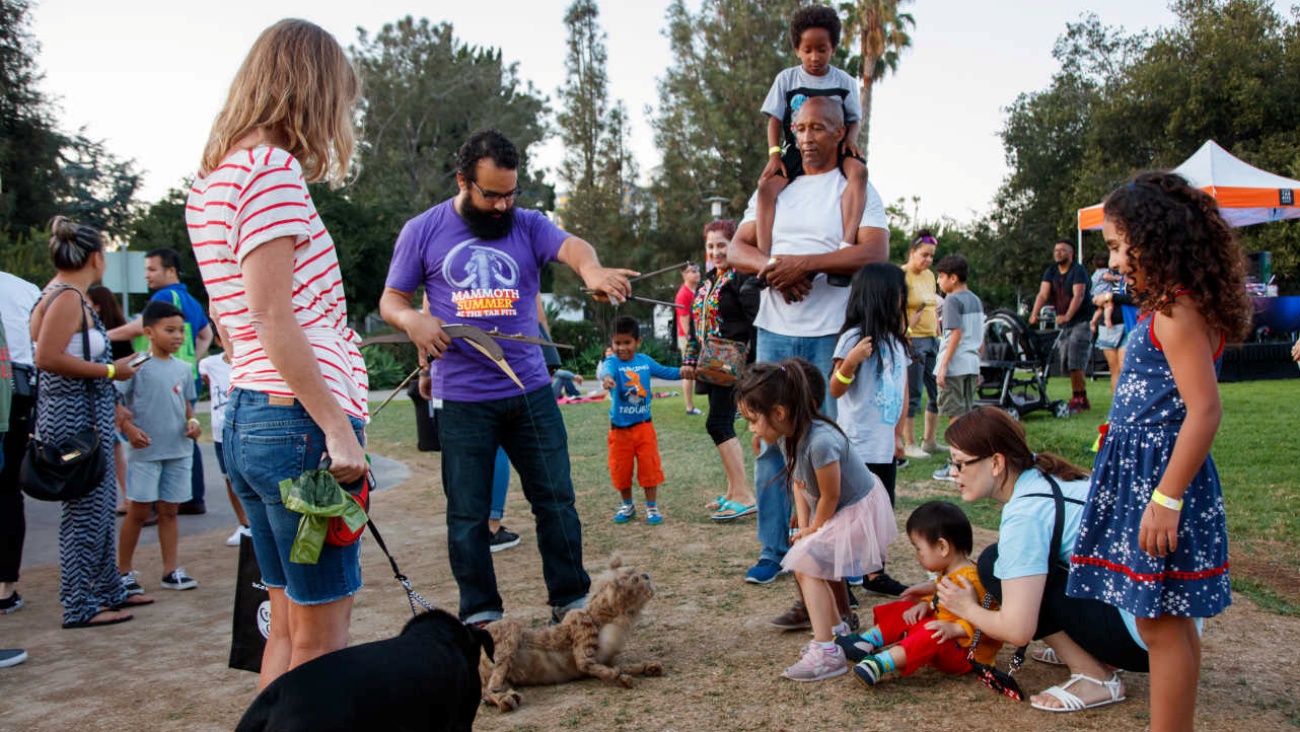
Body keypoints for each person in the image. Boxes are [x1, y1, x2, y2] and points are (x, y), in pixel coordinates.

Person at [380, 128, 634, 626]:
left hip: (530, 392)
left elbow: (572, 246)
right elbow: (392, 300)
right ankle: (482, 614)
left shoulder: (526, 224)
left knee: (556, 500)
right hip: (462, 400)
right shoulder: (423, 230)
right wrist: (413, 320)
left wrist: (593, 271)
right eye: (491, 194)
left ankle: (571, 601)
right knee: (468, 516)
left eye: (510, 193)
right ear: (463, 181)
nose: (502, 205)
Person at [188, 19, 370, 688]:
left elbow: (233, 317)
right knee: (324, 643)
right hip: (296, 426)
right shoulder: (270, 170)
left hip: (253, 416)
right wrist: (333, 426)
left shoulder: (213, 182)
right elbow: (270, 315)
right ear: (313, 89)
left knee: (289, 630)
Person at [1066, 171, 1250, 731]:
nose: (1116, 261)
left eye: (1120, 246)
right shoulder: (1170, 303)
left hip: (1161, 481)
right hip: (1147, 476)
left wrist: (1165, 500)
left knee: (1157, 625)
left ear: (1156, 239)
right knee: (1168, 621)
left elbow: (1206, 410)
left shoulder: (1176, 314)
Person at [728, 95, 889, 587]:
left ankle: (837, 555)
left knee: (826, 446)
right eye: (799, 128)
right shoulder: (779, 190)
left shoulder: (857, 189)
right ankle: (774, 549)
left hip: (828, 336)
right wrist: (774, 268)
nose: (806, 137)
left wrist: (808, 264)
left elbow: (875, 251)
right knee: (768, 445)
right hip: (775, 333)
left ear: (842, 133)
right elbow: (737, 249)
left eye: (819, 127)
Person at [934, 407, 1150, 712]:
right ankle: (1092, 652)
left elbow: (1017, 629)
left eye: (959, 464)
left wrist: (966, 608)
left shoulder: (1027, 512)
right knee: (1007, 563)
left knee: (994, 565)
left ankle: (1094, 676)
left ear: (996, 462)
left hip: (1140, 640)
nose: (953, 473)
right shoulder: (1047, 476)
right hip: (1164, 629)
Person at [735, 359, 897, 682]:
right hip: (834, 507)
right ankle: (837, 631)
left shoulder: (821, 442)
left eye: (753, 420)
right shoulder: (787, 435)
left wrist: (813, 530)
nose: (751, 428)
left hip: (856, 510)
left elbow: (831, 495)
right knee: (806, 556)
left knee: (806, 563)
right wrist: (803, 527)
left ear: (778, 413)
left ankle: (827, 652)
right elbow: (798, 482)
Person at [30, 217, 147, 628]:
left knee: (96, 510)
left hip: (85, 414)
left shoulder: (59, 293)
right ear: (97, 257)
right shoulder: (65, 297)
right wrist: (112, 372)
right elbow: (47, 357)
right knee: (84, 513)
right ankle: (79, 603)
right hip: (73, 420)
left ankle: (106, 589)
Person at [841, 501, 1001, 686]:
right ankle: (866, 642)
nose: (918, 555)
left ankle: (881, 663)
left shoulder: (970, 580)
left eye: (919, 549)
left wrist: (956, 629)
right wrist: (925, 604)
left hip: (965, 652)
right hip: (945, 632)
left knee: (931, 632)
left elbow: (986, 621)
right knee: (907, 607)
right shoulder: (950, 570)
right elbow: (940, 602)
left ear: (942, 547)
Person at [107, 247, 213, 515]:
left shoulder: (165, 296)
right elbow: (206, 334)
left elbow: (137, 328)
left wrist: (102, 336)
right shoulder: (190, 299)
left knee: (156, 431)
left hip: (158, 374)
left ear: (170, 271)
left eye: (152, 269)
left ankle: (149, 501)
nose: (147, 276)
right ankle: (191, 497)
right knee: (186, 433)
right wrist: (191, 362)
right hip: (182, 374)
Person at [757, 5, 867, 258]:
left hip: (834, 149)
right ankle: (764, 258)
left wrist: (850, 140)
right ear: (797, 50)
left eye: (822, 50)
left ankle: (846, 245)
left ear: (833, 49)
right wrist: (775, 154)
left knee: (859, 172)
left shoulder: (845, 81)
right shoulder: (787, 79)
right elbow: (774, 119)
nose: (815, 57)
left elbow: (854, 119)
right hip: (797, 150)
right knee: (765, 187)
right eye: (808, 50)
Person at [116, 301, 202, 595]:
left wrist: (193, 422)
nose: (178, 336)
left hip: (179, 450)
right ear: (149, 332)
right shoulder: (136, 364)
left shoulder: (184, 368)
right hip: (146, 452)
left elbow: (188, 405)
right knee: (138, 512)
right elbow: (116, 402)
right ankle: (123, 572)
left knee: (170, 511)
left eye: (181, 330)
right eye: (170, 330)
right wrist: (128, 428)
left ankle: (170, 570)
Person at [683, 219, 759, 521]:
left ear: (734, 245)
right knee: (720, 423)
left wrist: (753, 365)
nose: (715, 252)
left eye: (722, 245)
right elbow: (694, 324)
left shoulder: (743, 278)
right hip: (711, 366)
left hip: (734, 366)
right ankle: (732, 490)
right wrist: (690, 357)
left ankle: (743, 494)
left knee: (718, 423)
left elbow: (757, 322)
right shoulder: (708, 281)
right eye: (710, 246)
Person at [829, 262, 908, 507]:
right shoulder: (853, 338)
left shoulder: (897, 341)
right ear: (880, 295)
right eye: (899, 292)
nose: (902, 298)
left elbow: (901, 392)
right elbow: (835, 389)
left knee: (882, 510)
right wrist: (851, 361)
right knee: (855, 513)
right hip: (857, 447)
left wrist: (897, 436)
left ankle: (878, 549)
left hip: (885, 448)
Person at [600, 316, 685, 526]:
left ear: (637, 342)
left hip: (644, 428)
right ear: (612, 342)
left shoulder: (645, 362)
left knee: (650, 468)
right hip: (619, 431)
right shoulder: (612, 362)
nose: (621, 348)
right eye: (617, 343)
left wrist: (687, 372)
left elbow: (667, 372)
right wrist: (607, 379)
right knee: (621, 470)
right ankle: (627, 506)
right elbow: (607, 371)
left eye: (627, 342)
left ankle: (651, 507)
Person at [0, 269, 40, 614]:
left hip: (13, 384)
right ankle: (5, 586)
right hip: (18, 387)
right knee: (8, 489)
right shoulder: (23, 288)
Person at [930, 255, 983, 481]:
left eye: (941, 277)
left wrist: (943, 366)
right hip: (971, 364)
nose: (938, 281)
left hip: (955, 365)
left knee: (955, 418)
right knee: (967, 415)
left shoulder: (952, 300)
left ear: (953, 278)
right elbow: (981, 338)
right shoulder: (976, 300)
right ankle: (970, 459)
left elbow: (955, 334)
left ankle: (956, 463)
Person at [87, 285, 136, 515]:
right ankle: (128, 495)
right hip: (119, 391)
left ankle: (128, 496)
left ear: (96, 305)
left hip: (110, 392)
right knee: (116, 448)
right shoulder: (121, 330)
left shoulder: (102, 335)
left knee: (114, 449)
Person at [1029, 240, 1095, 414]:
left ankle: (1080, 398)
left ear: (1070, 253)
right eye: (1056, 250)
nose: (1058, 253)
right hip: (1064, 325)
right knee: (1065, 360)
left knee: (1075, 359)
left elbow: (1078, 295)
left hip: (1080, 322)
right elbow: (1043, 294)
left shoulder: (1078, 270)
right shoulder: (1051, 272)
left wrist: (1067, 315)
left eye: (1062, 250)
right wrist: (1034, 313)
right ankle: (1079, 395)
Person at [198, 329, 250, 547]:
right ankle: (244, 524)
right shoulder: (210, 364)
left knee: (254, 477)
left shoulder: (252, 363)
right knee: (230, 478)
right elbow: (208, 383)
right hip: (222, 432)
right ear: (218, 340)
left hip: (249, 430)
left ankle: (260, 523)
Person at [900, 231, 940, 458]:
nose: (928, 260)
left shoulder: (930, 276)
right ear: (912, 252)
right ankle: (909, 443)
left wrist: (938, 333)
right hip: (912, 340)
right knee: (913, 393)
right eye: (924, 255)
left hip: (932, 339)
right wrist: (905, 333)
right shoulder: (901, 275)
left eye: (932, 256)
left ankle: (930, 441)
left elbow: (932, 307)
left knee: (936, 392)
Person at [1088, 251, 1126, 393]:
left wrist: (1109, 296)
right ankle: (1118, 405)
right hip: (1110, 326)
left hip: (1128, 323)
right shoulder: (1111, 276)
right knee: (1115, 368)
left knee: (1123, 368)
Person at [675, 263, 703, 415]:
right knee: (688, 370)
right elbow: (684, 320)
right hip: (688, 338)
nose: (696, 273)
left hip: (698, 336)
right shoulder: (683, 294)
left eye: (697, 270)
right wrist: (692, 341)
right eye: (692, 271)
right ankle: (689, 407)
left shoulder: (698, 290)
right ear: (684, 275)